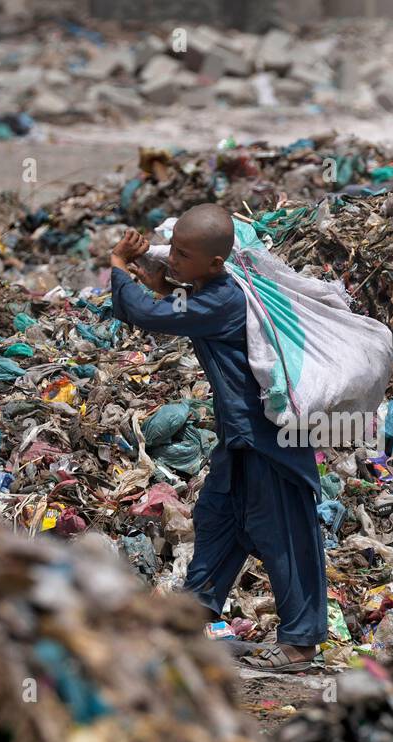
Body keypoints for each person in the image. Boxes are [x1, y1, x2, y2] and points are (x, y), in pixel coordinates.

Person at [107, 204, 326, 673]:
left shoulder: (222, 300)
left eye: (183, 255)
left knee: (283, 532)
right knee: (219, 517)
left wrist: (118, 267)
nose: (173, 260)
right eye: (174, 250)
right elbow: (174, 299)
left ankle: (301, 643)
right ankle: (193, 615)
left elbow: (150, 314)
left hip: (272, 440)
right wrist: (160, 278)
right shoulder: (211, 290)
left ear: (215, 264)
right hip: (240, 437)